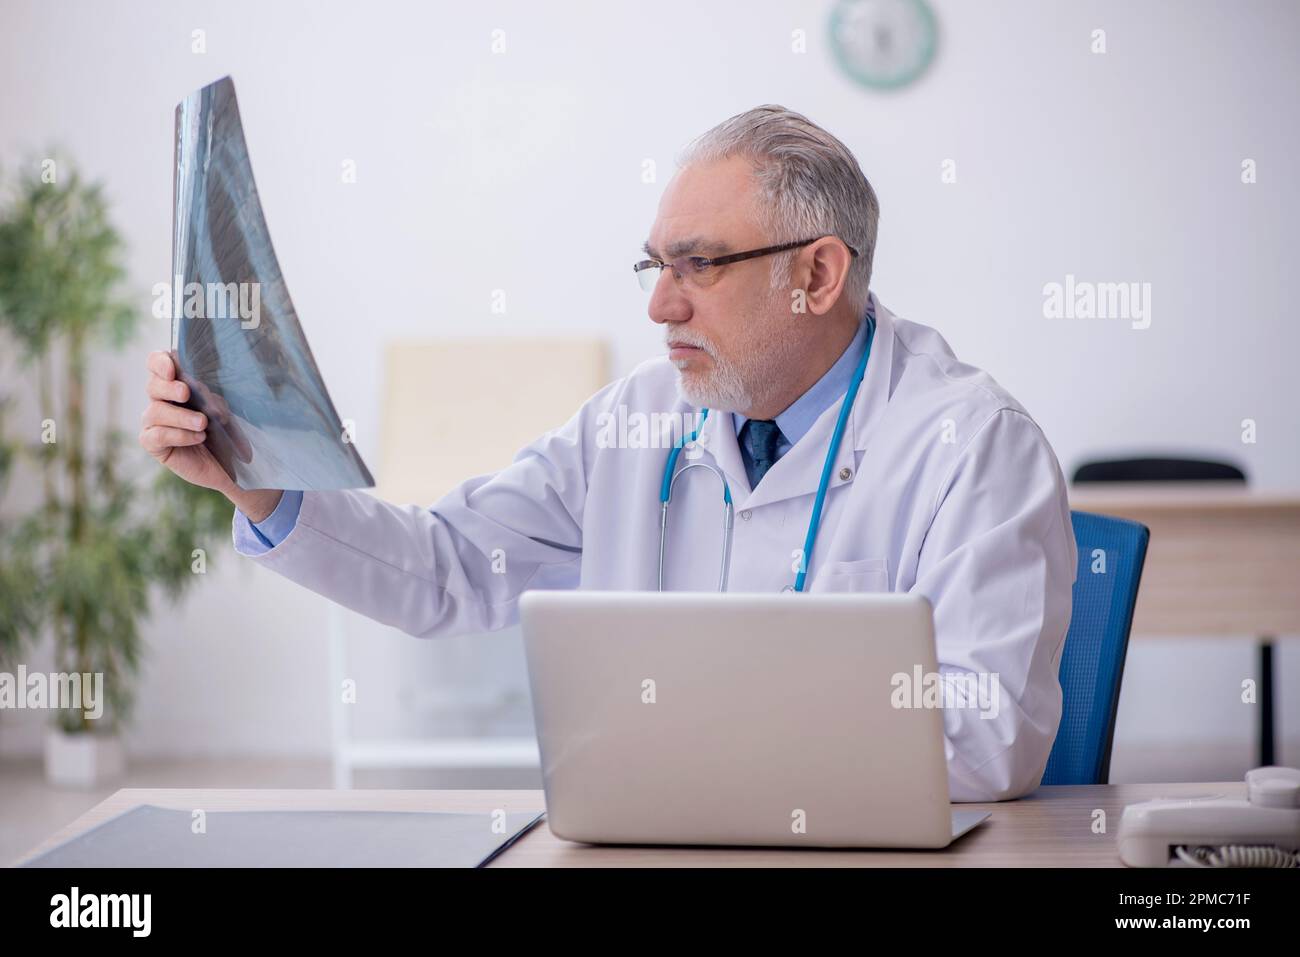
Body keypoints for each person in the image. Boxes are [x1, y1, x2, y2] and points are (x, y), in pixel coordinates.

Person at [140, 105, 1077, 802]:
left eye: (700, 265)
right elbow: (448, 568)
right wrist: (257, 482)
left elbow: (987, 737)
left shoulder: (971, 445)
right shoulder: (637, 420)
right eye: (656, 265)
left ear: (818, 274)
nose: (660, 306)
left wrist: (709, 728)